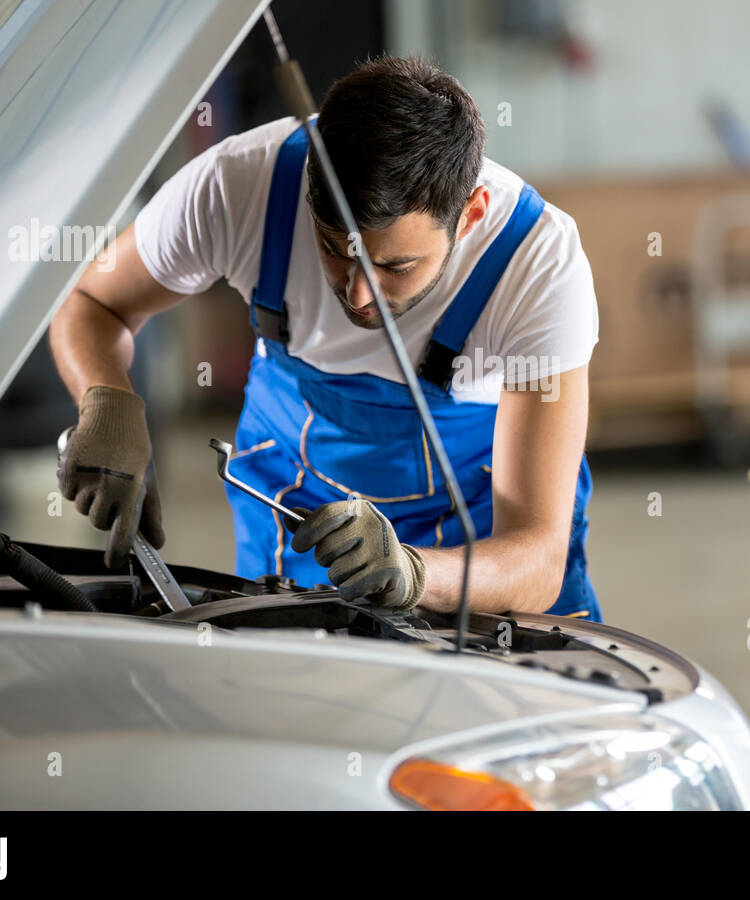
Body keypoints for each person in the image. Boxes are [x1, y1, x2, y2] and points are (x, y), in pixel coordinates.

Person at [50, 55, 601, 620]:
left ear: (470, 216)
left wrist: (416, 573)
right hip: (296, 520)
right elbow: (91, 301)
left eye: (396, 265)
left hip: (475, 552)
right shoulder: (240, 185)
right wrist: (108, 402)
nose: (359, 295)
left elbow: (536, 557)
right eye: (335, 250)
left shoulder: (537, 262)